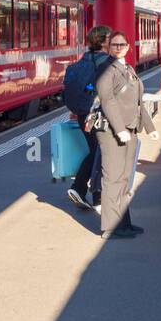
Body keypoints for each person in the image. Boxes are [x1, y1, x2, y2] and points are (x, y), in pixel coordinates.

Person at [95, 30, 157, 240]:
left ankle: (124, 223)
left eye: (122, 44)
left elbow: (138, 101)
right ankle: (111, 227)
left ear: (129, 47)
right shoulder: (107, 69)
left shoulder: (127, 67)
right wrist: (120, 129)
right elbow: (107, 99)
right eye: (114, 45)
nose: (118, 47)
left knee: (124, 178)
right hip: (113, 131)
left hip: (130, 128)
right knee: (113, 178)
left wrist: (150, 127)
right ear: (108, 48)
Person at [67, 25, 113, 211]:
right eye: (109, 38)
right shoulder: (108, 63)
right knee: (101, 152)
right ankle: (80, 188)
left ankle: (96, 197)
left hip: (83, 114)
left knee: (96, 150)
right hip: (101, 115)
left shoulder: (82, 62)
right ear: (102, 42)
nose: (112, 42)